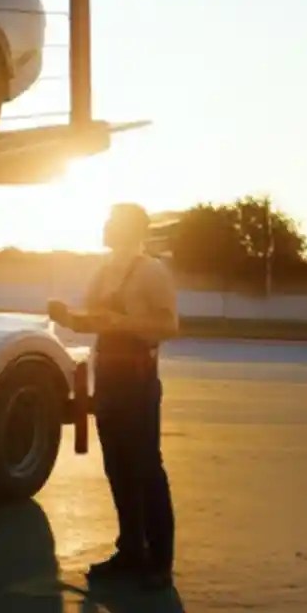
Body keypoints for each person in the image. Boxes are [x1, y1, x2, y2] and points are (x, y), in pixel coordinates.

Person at [48, 202, 180, 590]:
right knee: (118, 467)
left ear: (131, 228)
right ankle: (130, 552)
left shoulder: (152, 271)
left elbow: (169, 325)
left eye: (113, 221)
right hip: (108, 377)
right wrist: (66, 317)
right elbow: (91, 319)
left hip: (137, 380)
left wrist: (123, 322)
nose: (105, 225)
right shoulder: (104, 271)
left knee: (146, 468)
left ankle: (159, 561)